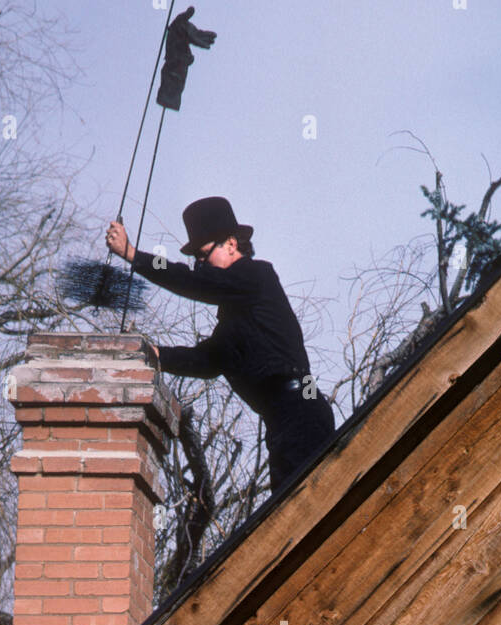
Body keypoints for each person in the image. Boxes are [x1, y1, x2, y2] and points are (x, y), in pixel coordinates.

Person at [106, 197, 335, 491]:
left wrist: (133, 254)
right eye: (197, 260)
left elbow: (187, 279)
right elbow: (207, 360)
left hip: (301, 409)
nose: (200, 266)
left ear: (230, 244)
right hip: (281, 420)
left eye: (204, 255)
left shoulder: (256, 276)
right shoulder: (235, 319)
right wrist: (154, 353)